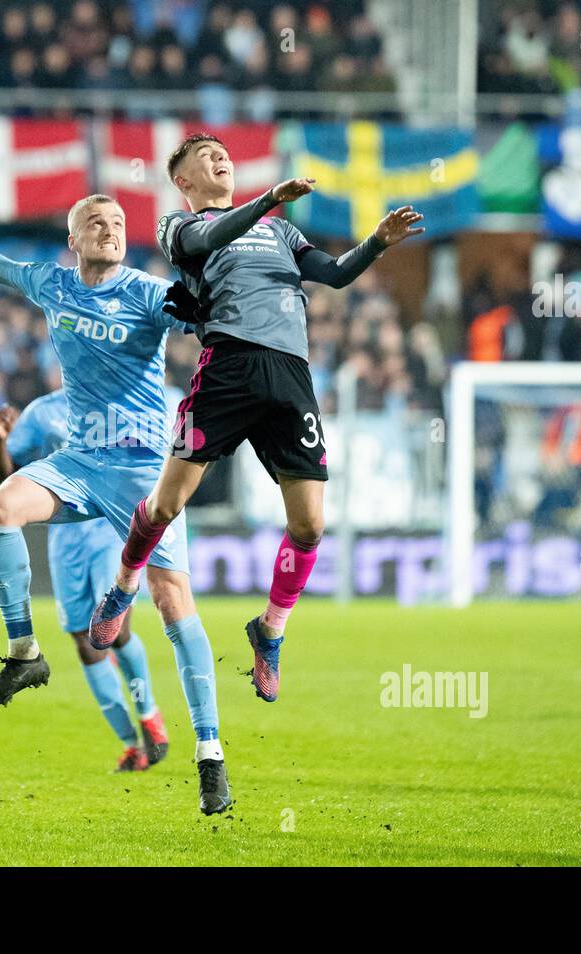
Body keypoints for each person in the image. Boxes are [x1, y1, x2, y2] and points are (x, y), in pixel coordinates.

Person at [0, 163, 235, 813]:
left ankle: (209, 754)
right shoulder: (53, 284)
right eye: (95, 222)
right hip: (80, 461)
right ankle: (23, 654)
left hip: (143, 469)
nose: (110, 229)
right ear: (73, 239)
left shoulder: (147, 293)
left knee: (175, 603)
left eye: (119, 222)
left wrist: (201, 307)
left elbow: (195, 311)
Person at [89, 133, 425, 704]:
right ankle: (123, 588)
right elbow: (218, 231)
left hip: (291, 378)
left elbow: (337, 273)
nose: (220, 159)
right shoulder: (180, 227)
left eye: (223, 153)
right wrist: (268, 198)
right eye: (206, 157)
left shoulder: (281, 231)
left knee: (310, 526)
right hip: (228, 369)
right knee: (167, 505)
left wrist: (376, 242)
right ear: (185, 182)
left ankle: (269, 630)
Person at [0, 391, 168, 772]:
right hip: (66, 540)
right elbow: (6, 481)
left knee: (115, 632)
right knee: (84, 644)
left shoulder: (121, 397)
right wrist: (1, 441)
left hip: (111, 529)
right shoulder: (42, 412)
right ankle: (131, 746)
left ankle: (150, 717)